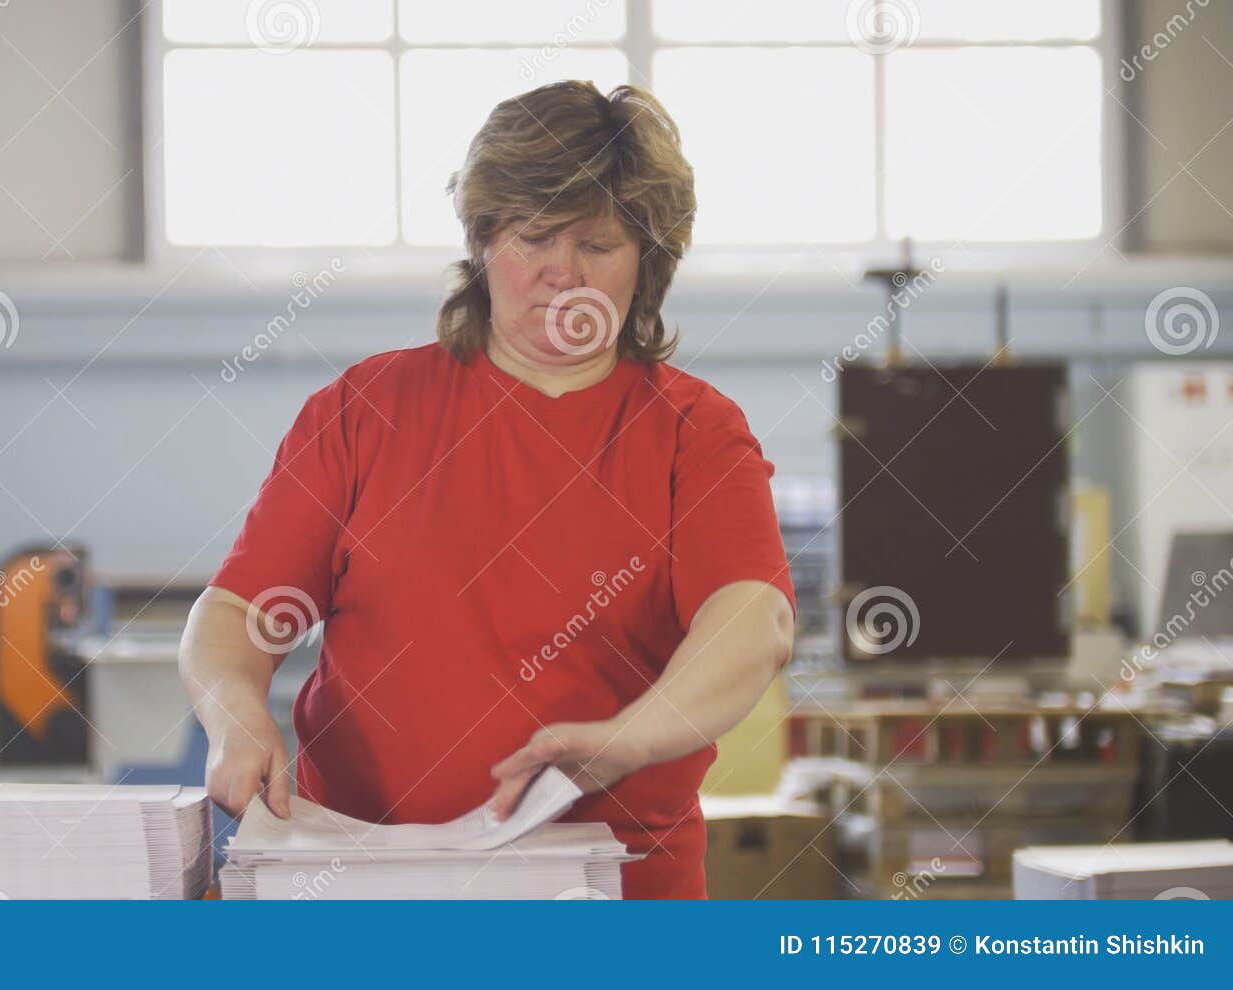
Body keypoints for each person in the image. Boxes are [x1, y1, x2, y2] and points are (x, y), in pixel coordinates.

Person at [180, 80, 796, 899]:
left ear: (647, 264)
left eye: (597, 245)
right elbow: (234, 615)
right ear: (481, 239)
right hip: (364, 884)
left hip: (613, 893)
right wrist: (235, 715)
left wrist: (630, 739)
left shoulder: (695, 432)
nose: (558, 274)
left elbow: (753, 620)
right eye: (532, 236)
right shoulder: (368, 412)